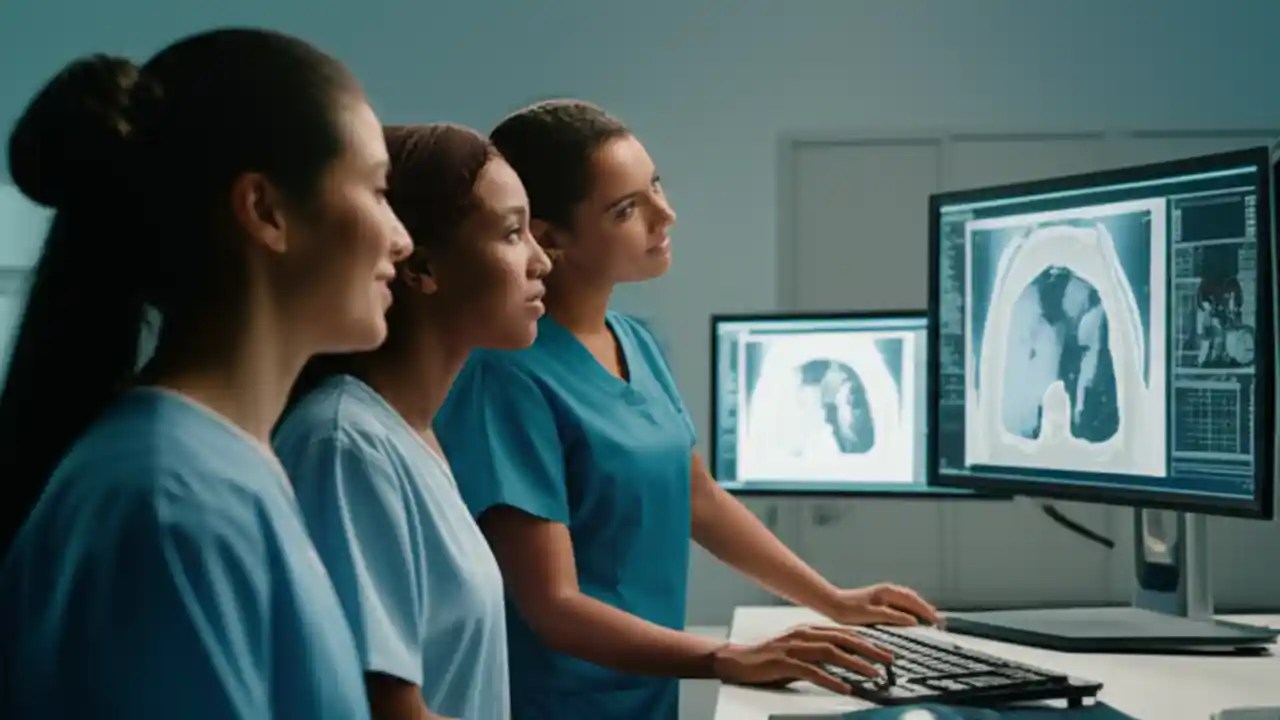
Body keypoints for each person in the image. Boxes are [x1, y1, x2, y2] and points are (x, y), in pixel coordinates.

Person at [434, 99, 941, 720]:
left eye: (655, 186)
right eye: (627, 209)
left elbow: (697, 497)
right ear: (549, 238)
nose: (665, 215)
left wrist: (832, 599)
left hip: (647, 695)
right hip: (564, 705)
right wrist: (721, 656)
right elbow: (555, 607)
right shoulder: (506, 374)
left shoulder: (635, 340)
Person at [0, 28, 412, 718]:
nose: (401, 237)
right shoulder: (174, 504)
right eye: (376, 189)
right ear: (265, 211)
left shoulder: (210, 471)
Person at [274, 123, 551, 720]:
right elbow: (386, 711)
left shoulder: (411, 434)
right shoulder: (345, 447)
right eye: (512, 233)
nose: (541, 260)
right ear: (420, 265)